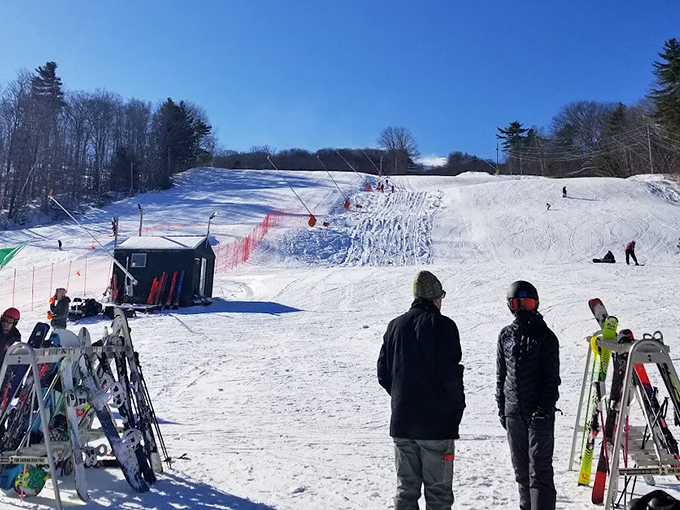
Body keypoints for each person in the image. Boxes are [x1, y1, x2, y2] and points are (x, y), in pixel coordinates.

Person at [378, 270, 465, 510]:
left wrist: (403, 397)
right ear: (436, 298)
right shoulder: (444, 326)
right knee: (438, 494)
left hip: (402, 423)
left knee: (406, 492)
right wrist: (455, 410)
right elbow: (451, 376)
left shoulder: (395, 326)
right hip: (436, 427)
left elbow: (383, 373)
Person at [497, 281, 560, 510]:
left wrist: (544, 409)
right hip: (514, 412)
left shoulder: (546, 337)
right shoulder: (506, 336)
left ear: (536, 304)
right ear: (510, 306)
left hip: (539, 414)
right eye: (517, 303)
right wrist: (502, 408)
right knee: (522, 471)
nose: (523, 309)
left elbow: (552, 379)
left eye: (528, 303)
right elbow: (501, 374)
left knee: (540, 471)